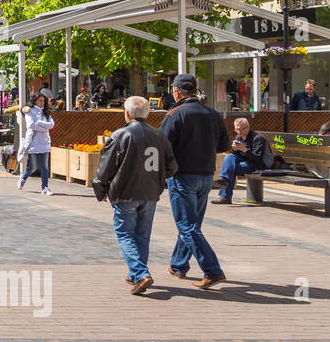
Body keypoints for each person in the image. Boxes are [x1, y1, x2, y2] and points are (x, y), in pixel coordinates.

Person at [93, 96, 178, 295]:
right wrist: (160, 179)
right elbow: (172, 166)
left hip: (125, 192)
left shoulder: (120, 135)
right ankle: (137, 273)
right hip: (150, 192)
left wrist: (101, 188)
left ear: (127, 113)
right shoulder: (159, 136)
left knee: (124, 233)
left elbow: (106, 167)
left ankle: (140, 273)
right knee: (142, 234)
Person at [161, 73, 230, 289]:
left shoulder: (174, 114)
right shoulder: (213, 114)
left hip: (183, 176)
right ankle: (179, 265)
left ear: (177, 92)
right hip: (206, 175)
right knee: (192, 224)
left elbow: (162, 147)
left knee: (187, 225)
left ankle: (212, 269)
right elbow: (223, 145)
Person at [212, 117, 274, 205]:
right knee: (229, 157)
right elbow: (237, 155)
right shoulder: (239, 137)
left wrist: (244, 150)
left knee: (232, 169)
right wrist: (235, 149)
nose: (239, 132)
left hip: (262, 164)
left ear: (248, 127)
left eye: (241, 129)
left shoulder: (258, 139)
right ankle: (224, 179)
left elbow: (257, 159)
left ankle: (225, 196)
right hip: (248, 161)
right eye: (236, 129)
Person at [16, 93, 54, 195]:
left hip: (45, 141)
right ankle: (23, 177)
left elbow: (51, 124)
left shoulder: (45, 112)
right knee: (33, 165)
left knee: (45, 166)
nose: (42, 103)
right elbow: (31, 125)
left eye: (43, 101)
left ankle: (44, 187)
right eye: (40, 101)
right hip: (33, 141)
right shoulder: (29, 111)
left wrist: (41, 124)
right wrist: (44, 127)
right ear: (35, 101)